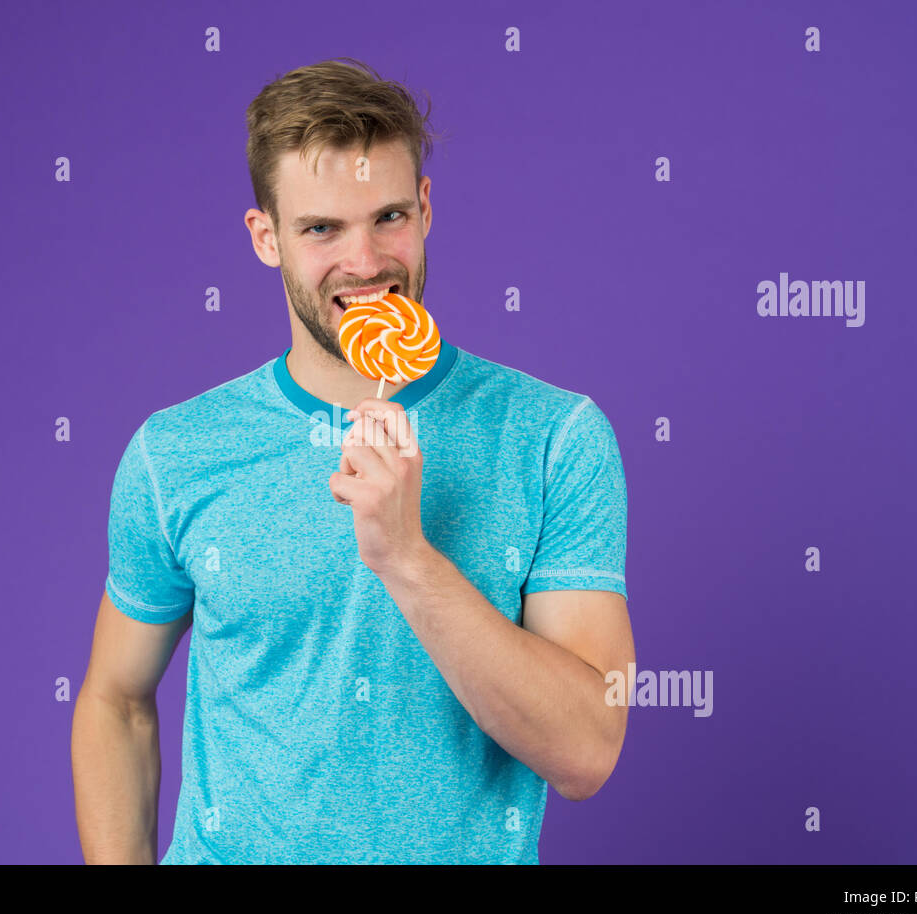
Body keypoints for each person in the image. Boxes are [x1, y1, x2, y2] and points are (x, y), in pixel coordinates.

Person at [71, 57, 635, 865]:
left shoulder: (553, 436)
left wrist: (406, 558)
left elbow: (587, 749)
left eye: (389, 217)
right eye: (321, 228)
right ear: (266, 238)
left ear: (428, 209)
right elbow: (115, 700)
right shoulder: (177, 452)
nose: (366, 262)